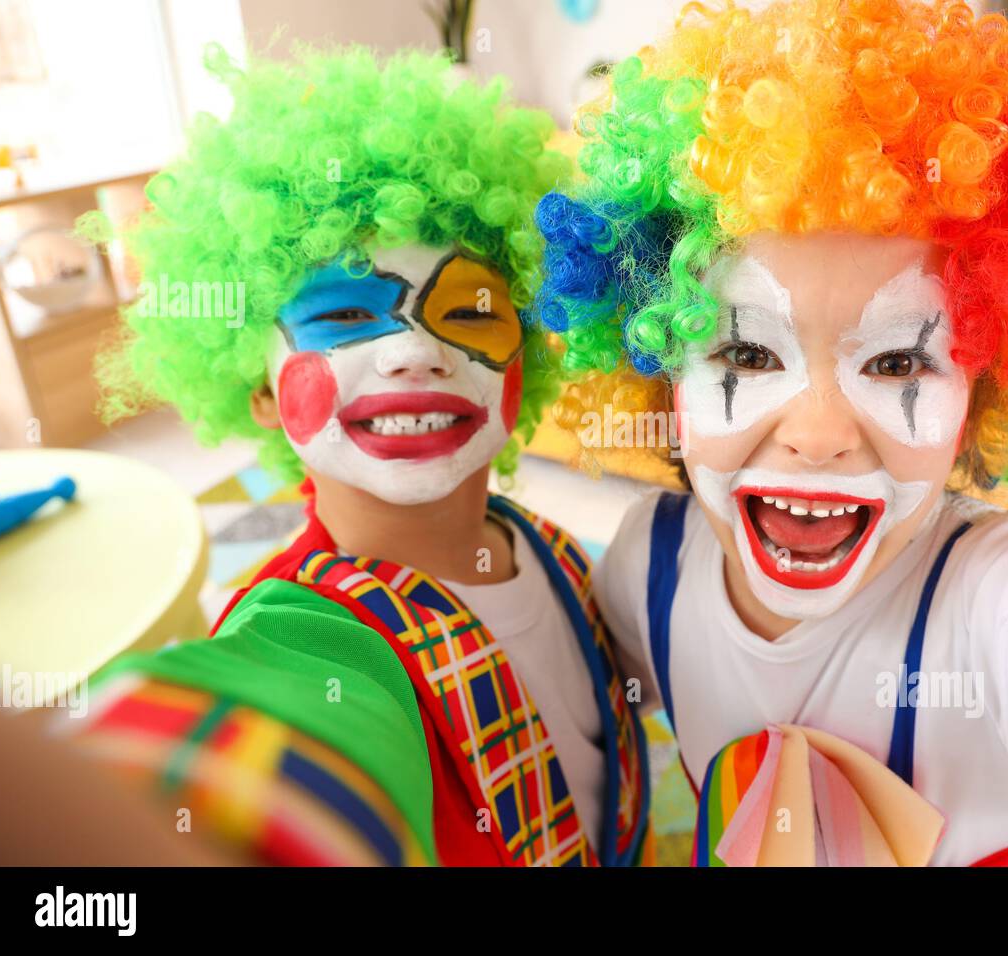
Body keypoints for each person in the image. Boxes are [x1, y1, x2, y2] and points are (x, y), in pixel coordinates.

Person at [534, 0, 1008, 866]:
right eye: (744, 350)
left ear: (982, 388)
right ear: (661, 373)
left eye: (896, 364)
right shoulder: (647, 566)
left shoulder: (1006, 596)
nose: (817, 434)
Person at [61, 46, 649, 867]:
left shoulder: (554, 552)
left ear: (526, 363)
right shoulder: (307, 635)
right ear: (259, 390)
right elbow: (240, 751)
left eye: (470, 312)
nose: (415, 353)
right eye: (342, 316)